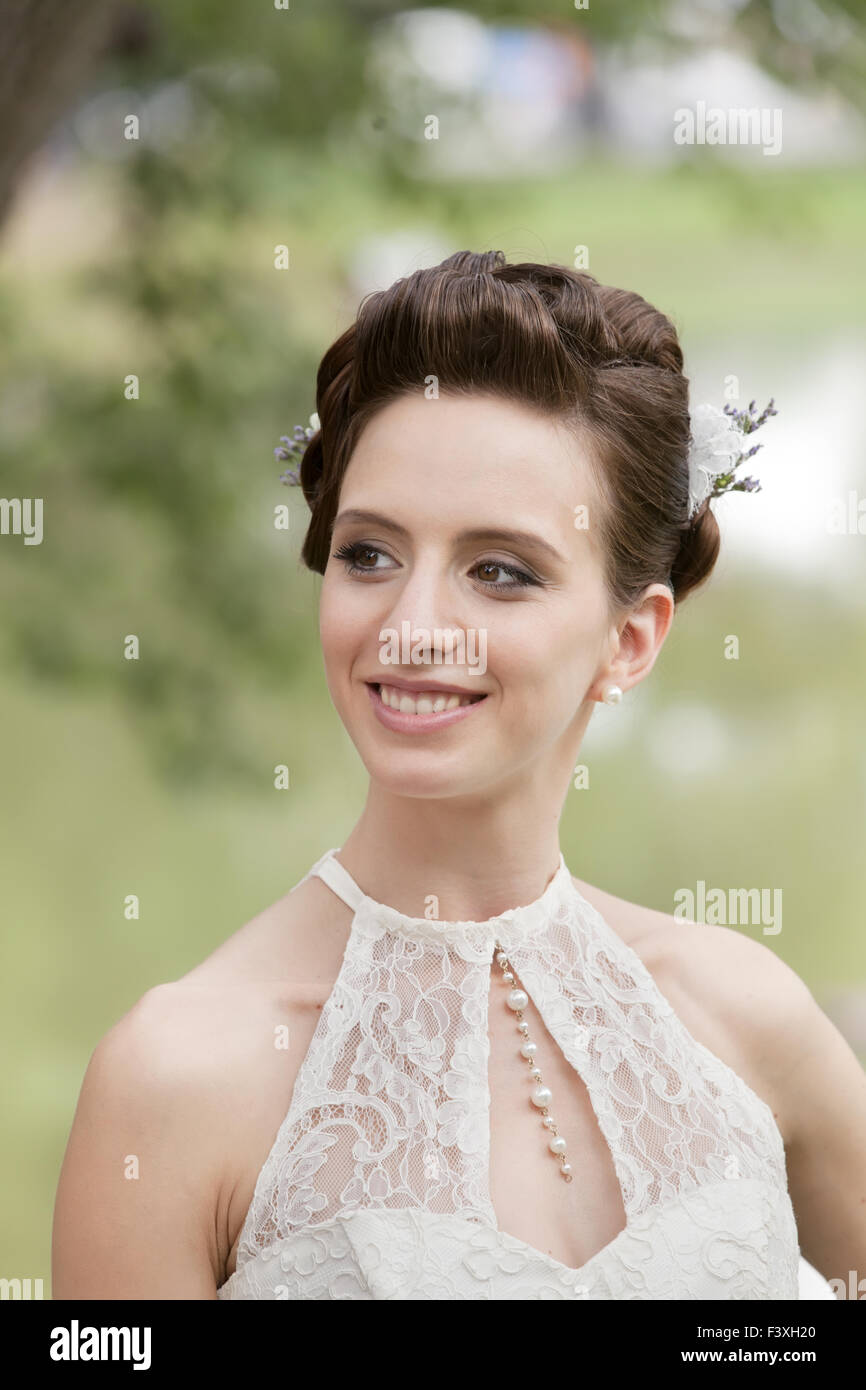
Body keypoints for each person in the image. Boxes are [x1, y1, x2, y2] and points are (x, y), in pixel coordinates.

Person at [52, 251, 866, 1299]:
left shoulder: (744, 1014)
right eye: (369, 554)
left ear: (629, 640)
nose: (412, 627)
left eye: (498, 571)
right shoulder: (172, 1077)